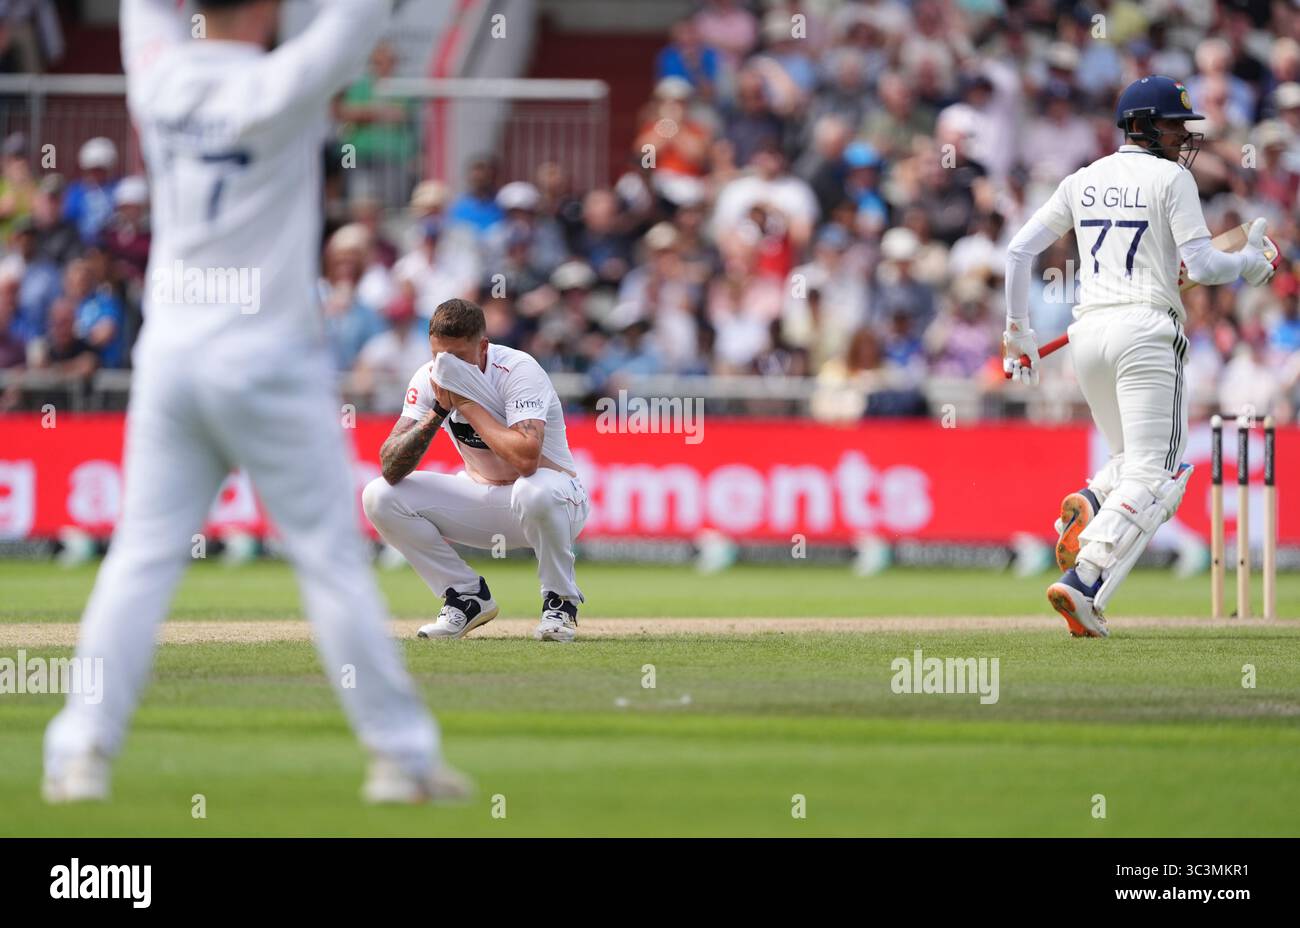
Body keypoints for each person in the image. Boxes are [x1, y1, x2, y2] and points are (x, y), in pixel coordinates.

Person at [41, 0, 467, 806]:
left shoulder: (159, 76)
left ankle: (80, 754)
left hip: (170, 355)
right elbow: (358, 16)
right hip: (269, 358)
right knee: (330, 563)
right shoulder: (287, 82)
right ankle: (399, 760)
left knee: (138, 559)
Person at [1002, 76, 1276, 637]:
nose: (1183, 136)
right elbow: (1201, 267)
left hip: (1089, 335)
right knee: (1161, 474)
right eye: (1173, 124)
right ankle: (1085, 578)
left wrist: (1017, 331)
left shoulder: (1084, 178)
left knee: (1131, 459)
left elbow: (1018, 250)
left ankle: (1090, 497)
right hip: (1147, 331)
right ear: (1142, 125)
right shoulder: (1172, 178)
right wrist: (1247, 264)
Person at [362, 298, 589, 643]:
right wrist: (439, 409)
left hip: (555, 502)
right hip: (487, 501)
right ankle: (467, 596)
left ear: (483, 346)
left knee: (534, 489)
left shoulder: (518, 369)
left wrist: (467, 404)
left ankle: (559, 602)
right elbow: (390, 466)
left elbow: (527, 460)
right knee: (379, 495)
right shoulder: (428, 377)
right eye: (441, 356)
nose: (448, 366)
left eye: (459, 356)